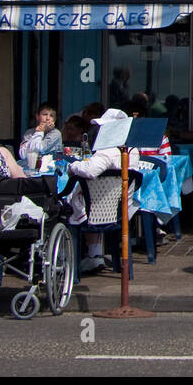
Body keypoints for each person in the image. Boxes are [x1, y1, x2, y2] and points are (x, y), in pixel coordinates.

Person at [67, 108, 142, 274]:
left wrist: (72, 166)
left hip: (98, 210)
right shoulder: (132, 151)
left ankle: (86, 256)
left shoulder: (107, 152)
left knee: (74, 201)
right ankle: (95, 255)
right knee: (89, 197)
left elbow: (89, 170)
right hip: (121, 209)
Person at [18, 102, 62, 172]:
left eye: (51, 116)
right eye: (44, 114)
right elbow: (23, 154)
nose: (48, 118)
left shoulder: (56, 133)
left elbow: (41, 149)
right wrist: (39, 132)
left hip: (49, 168)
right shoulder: (29, 133)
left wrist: (41, 131)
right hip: (30, 166)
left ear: (55, 119)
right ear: (37, 117)